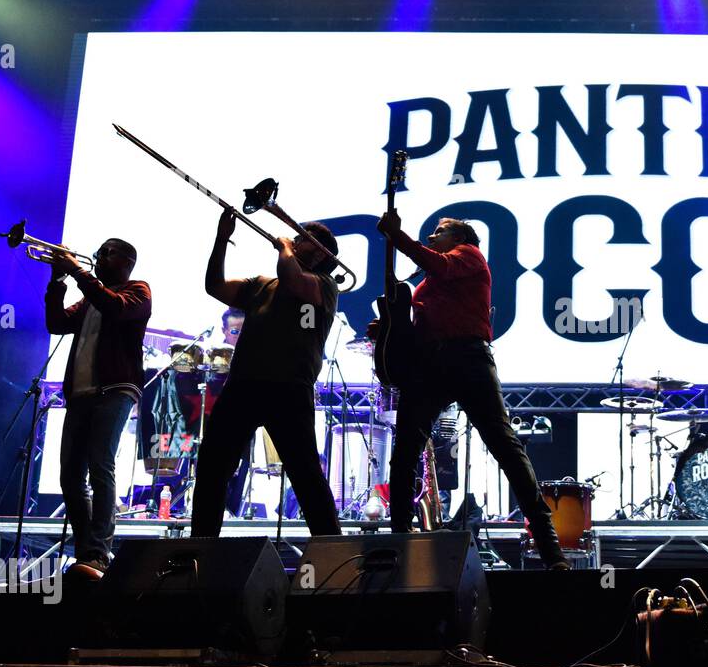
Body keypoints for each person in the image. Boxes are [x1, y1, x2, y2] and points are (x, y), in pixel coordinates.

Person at [375, 212, 568, 569]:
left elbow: (437, 265)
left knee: (504, 445)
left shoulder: (469, 255)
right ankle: (399, 535)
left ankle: (548, 545)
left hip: (467, 358)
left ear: (460, 236)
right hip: (431, 363)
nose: (432, 236)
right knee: (405, 449)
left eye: (440, 231)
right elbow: (426, 316)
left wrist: (398, 236)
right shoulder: (435, 279)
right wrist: (390, 328)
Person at [191, 209, 342, 539]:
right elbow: (214, 286)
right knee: (212, 470)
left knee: (306, 476)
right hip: (244, 385)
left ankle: (332, 549)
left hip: (289, 388)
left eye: (303, 238)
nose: (295, 240)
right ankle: (200, 549)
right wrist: (221, 240)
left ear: (319, 251)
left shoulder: (325, 285)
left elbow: (293, 280)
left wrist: (285, 248)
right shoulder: (261, 284)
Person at [45, 238, 152, 576]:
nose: (97, 256)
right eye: (99, 252)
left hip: (116, 389)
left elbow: (116, 308)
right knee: (70, 475)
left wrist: (76, 271)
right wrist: (56, 281)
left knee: (100, 464)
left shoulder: (137, 290)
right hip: (80, 393)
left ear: (126, 261)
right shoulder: (90, 300)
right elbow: (56, 323)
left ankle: (99, 552)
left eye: (107, 252)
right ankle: (85, 550)